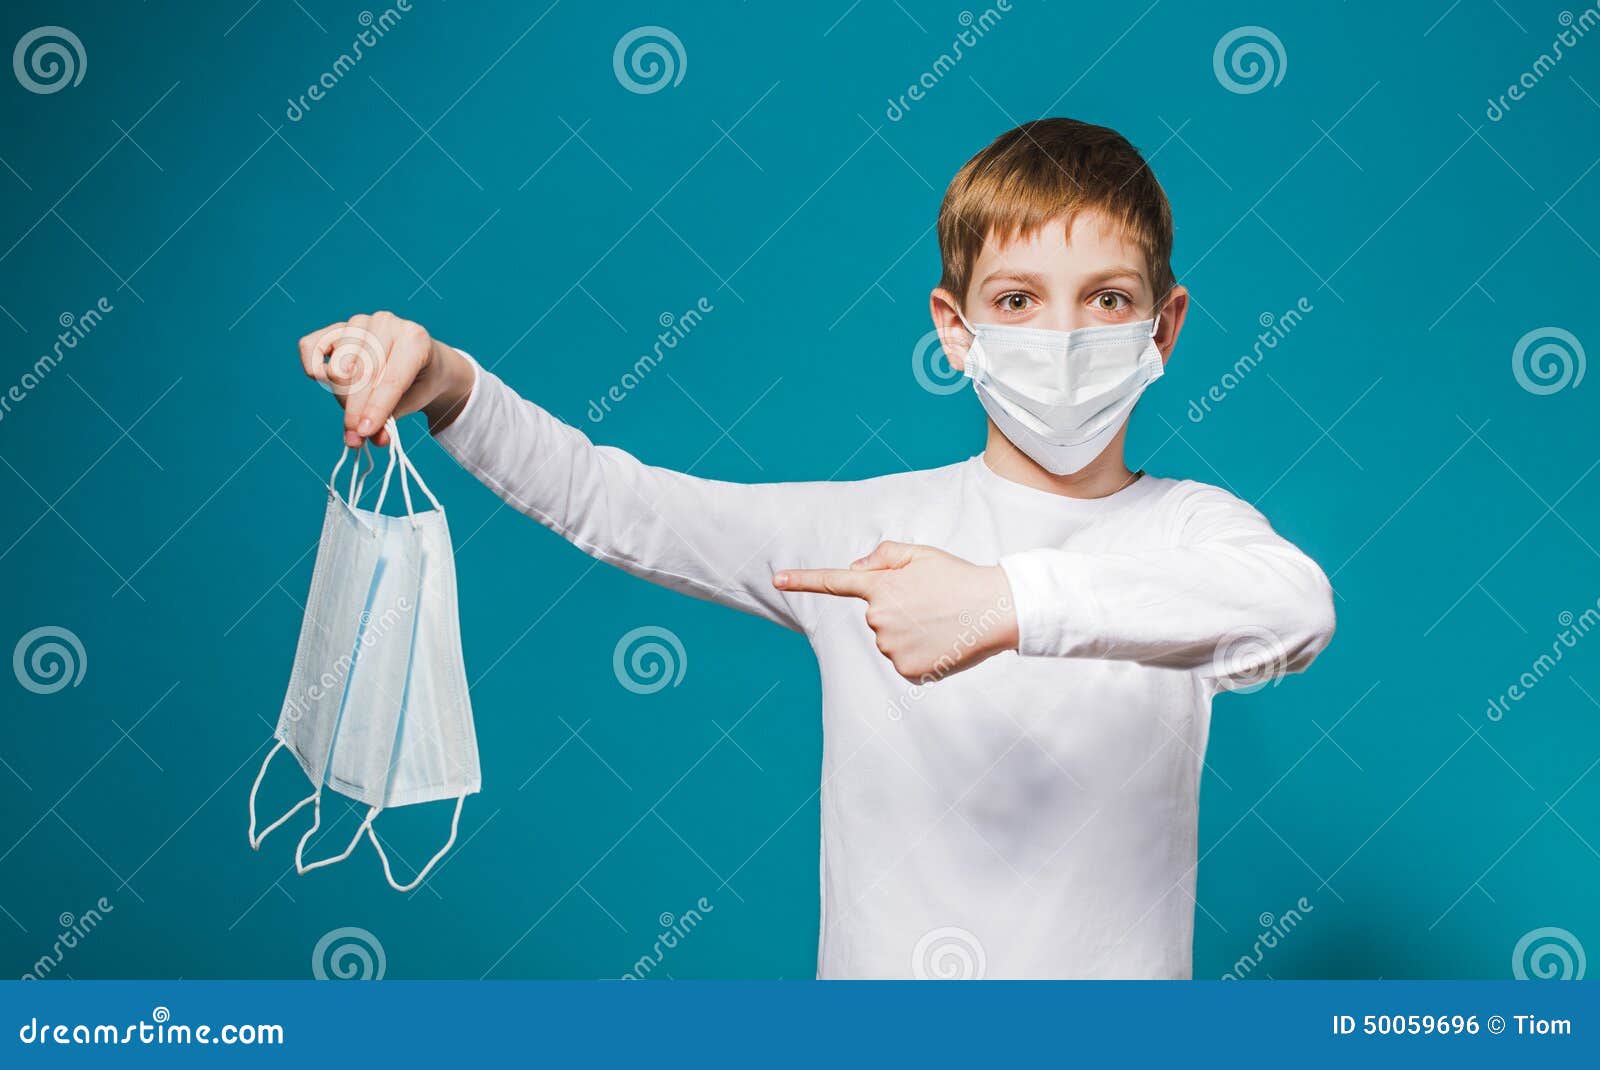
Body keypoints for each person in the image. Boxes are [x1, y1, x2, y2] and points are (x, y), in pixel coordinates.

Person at [293, 118, 1336, 979]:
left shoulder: (1190, 530)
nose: (1061, 337)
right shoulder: (858, 534)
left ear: (1163, 326)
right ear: (955, 326)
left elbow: (1292, 607)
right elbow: (613, 499)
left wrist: (1003, 601)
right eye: (1017, 300)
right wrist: (447, 382)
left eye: (1105, 299)